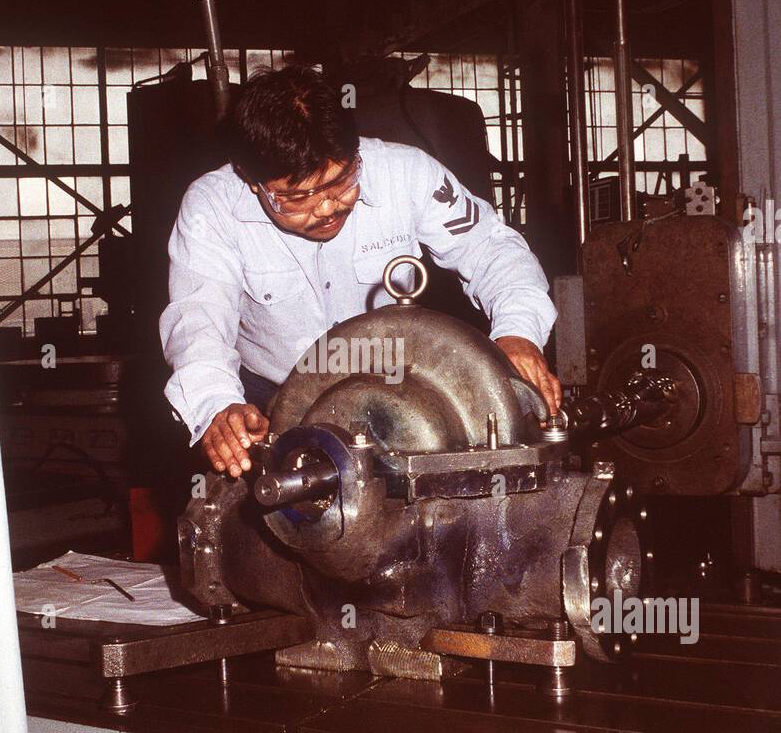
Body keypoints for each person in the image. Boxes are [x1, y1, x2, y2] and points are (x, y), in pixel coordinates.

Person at [160, 65, 561, 478]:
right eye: (296, 198)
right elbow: (198, 316)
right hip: (269, 399)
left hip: (401, 388)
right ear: (250, 178)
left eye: (340, 183)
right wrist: (216, 404)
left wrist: (518, 332)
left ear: (356, 153)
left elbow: (491, 249)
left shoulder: (407, 173)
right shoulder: (212, 207)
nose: (326, 208)